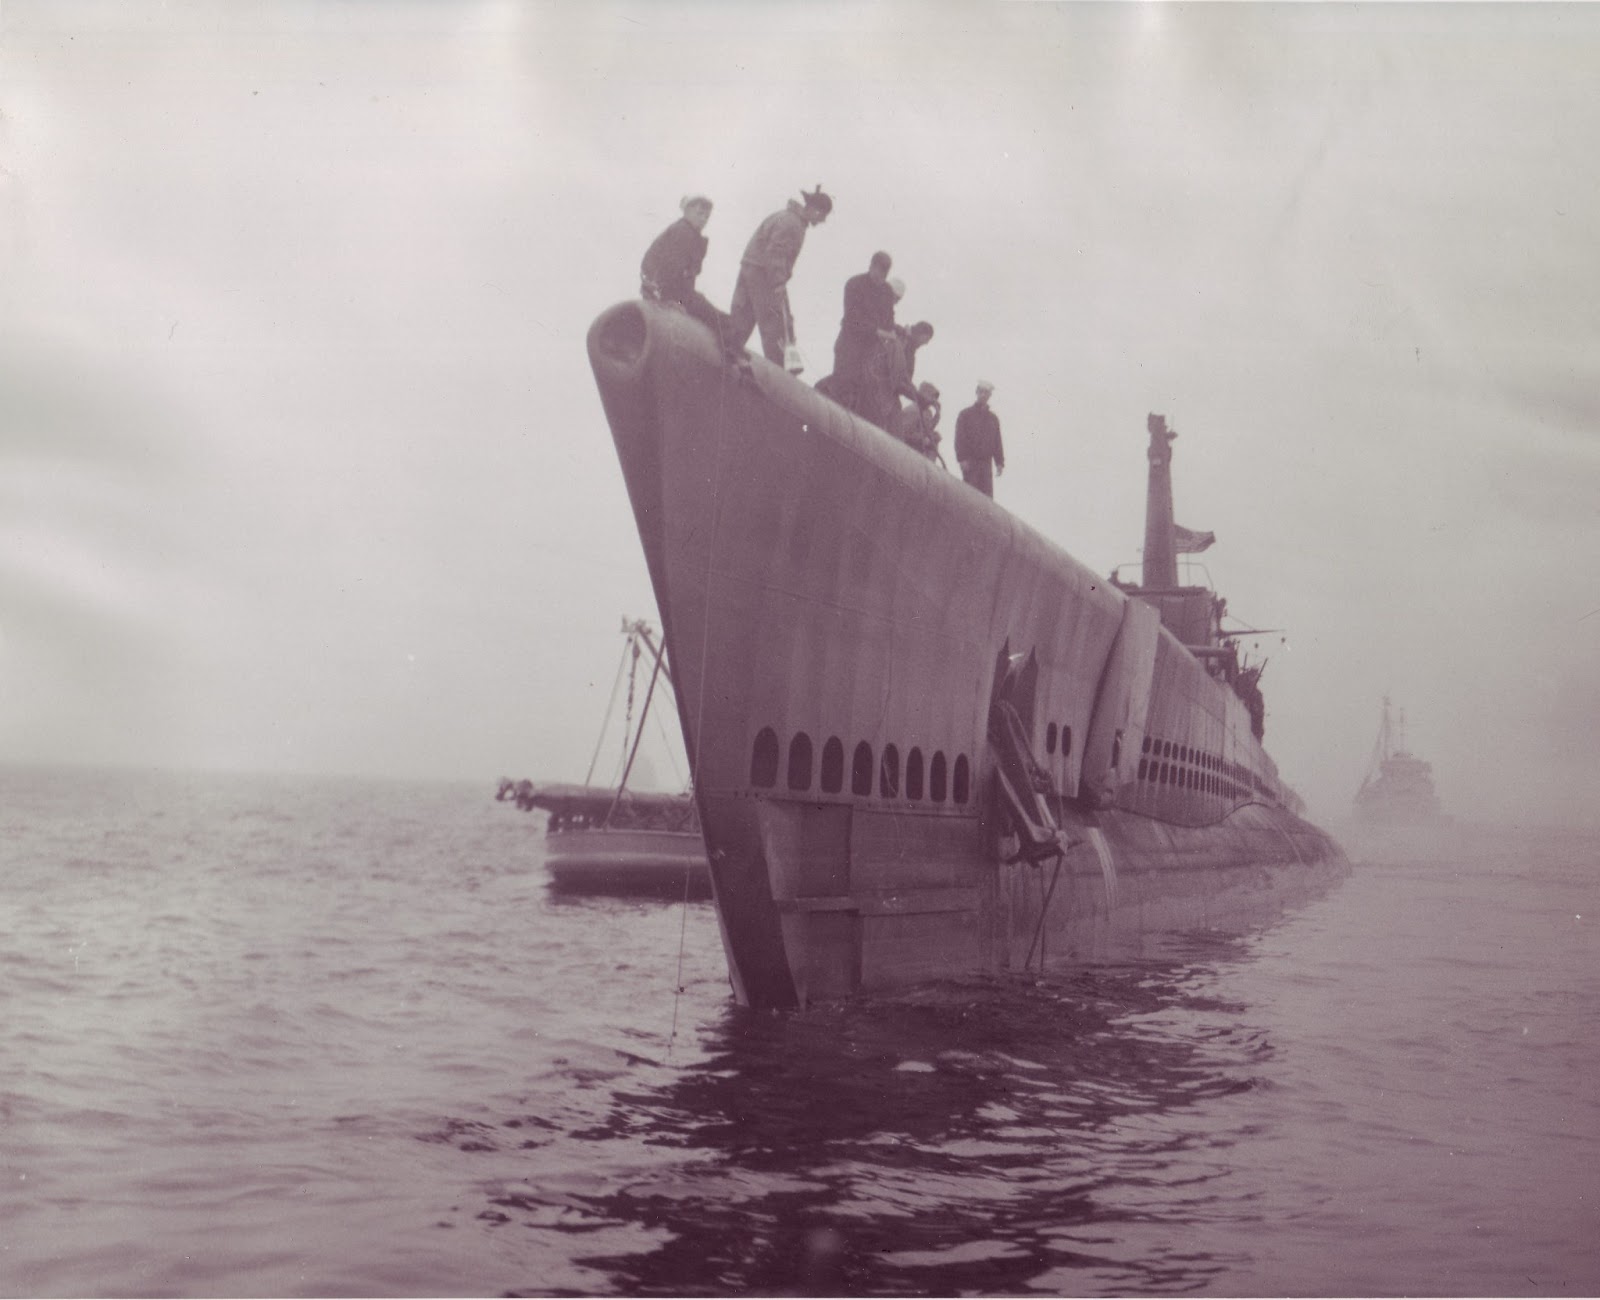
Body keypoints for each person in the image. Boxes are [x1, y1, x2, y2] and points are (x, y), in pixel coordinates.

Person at [727, 185, 832, 364]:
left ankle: (729, 352)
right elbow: (775, 252)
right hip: (765, 275)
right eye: (822, 216)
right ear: (815, 211)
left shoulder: (783, 216)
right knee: (776, 326)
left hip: (751, 268)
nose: (822, 221)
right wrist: (778, 283)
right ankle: (779, 369)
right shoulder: (793, 224)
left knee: (741, 319)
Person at [639, 194, 728, 344]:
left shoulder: (690, 235)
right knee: (721, 321)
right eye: (699, 214)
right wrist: (668, 299)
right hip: (667, 291)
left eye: (707, 216)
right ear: (687, 211)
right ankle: (734, 357)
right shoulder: (684, 232)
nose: (703, 219)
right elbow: (670, 268)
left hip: (668, 290)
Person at [825, 251, 896, 411]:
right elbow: (852, 320)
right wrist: (878, 332)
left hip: (871, 352)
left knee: (863, 396)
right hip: (849, 346)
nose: (880, 276)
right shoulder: (854, 284)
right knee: (842, 389)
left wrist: (891, 332)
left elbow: (889, 319)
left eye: (884, 273)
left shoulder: (887, 291)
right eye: (878, 270)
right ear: (871, 266)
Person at [954, 380, 1004, 497]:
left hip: (986, 465)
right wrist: (962, 459)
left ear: (990, 396)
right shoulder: (965, 415)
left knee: (986, 500)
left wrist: (999, 462)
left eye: (986, 393)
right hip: (970, 463)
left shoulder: (993, 419)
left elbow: (997, 442)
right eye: (981, 392)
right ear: (976, 392)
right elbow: (959, 438)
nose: (983, 395)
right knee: (969, 497)